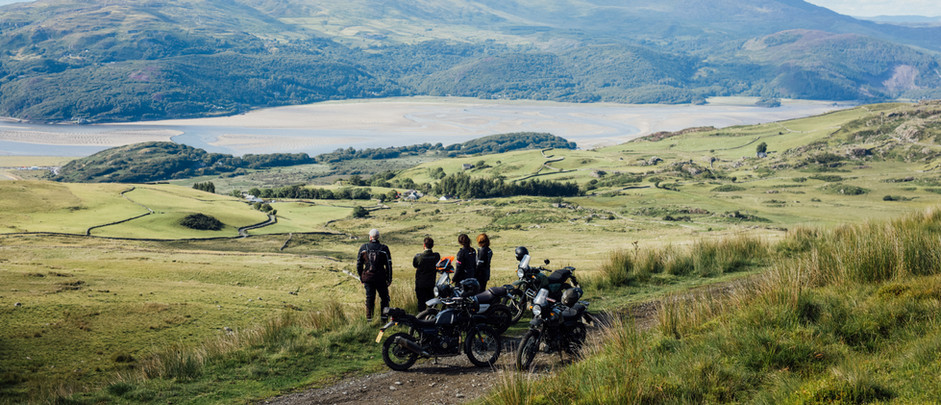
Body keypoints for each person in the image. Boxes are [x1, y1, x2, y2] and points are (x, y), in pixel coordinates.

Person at [356, 228, 393, 321]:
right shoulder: (384, 248)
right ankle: (384, 318)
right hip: (381, 277)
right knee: (384, 298)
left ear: (370, 237)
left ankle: (369, 319)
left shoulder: (363, 248)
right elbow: (389, 265)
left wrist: (361, 277)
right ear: (378, 237)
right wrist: (389, 278)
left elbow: (359, 264)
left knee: (370, 298)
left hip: (368, 278)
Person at [412, 237, 440, 312]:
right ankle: (432, 317)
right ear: (433, 245)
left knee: (421, 302)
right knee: (431, 301)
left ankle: (421, 318)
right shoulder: (436, 256)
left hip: (420, 283)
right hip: (431, 282)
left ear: (424, 245)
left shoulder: (418, 257)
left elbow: (415, 265)